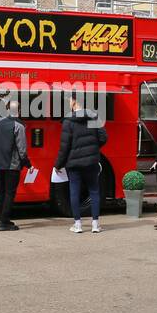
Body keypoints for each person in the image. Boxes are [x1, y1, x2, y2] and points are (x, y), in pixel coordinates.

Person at [54, 95, 108, 234]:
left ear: (73, 102)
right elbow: (103, 137)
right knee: (94, 191)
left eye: (68, 100)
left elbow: (64, 147)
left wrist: (58, 164)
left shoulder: (68, 121)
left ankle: (78, 225)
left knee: (74, 192)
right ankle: (95, 225)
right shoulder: (93, 117)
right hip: (91, 162)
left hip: (74, 163)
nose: (68, 102)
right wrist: (93, 149)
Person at [0, 98, 29, 232]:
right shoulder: (19, 127)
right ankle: (4, 222)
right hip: (12, 165)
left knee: (1, 192)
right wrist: (28, 164)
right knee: (10, 193)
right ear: (19, 111)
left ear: (7, 110)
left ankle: (2, 217)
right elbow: (22, 150)